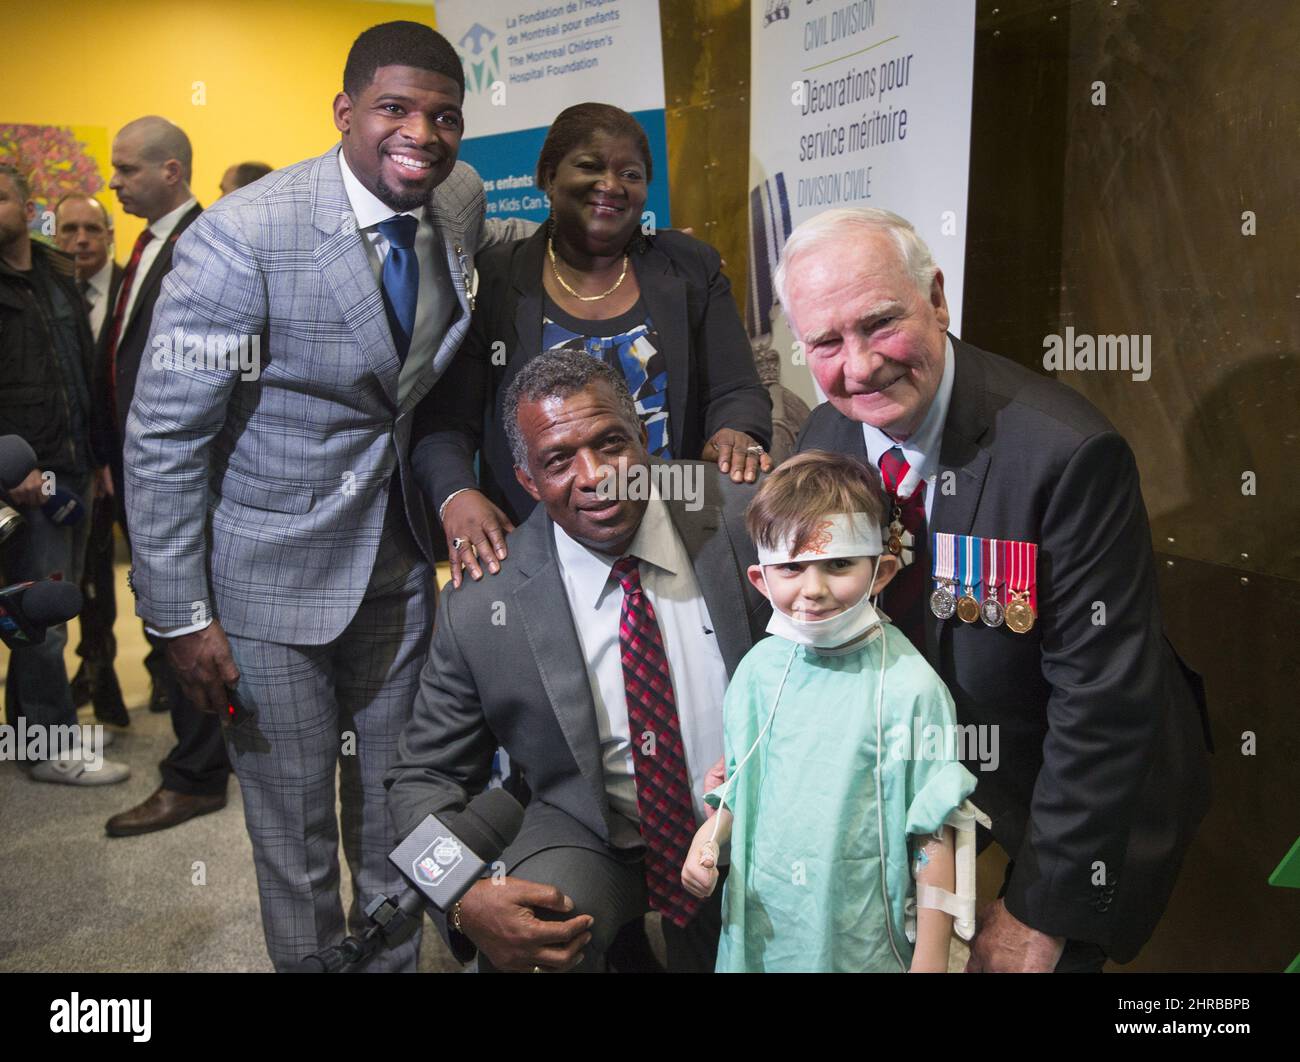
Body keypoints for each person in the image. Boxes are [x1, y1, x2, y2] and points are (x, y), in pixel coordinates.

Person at [124, 21, 527, 972]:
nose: (421, 134)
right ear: (344, 111)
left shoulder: (457, 198)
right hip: (265, 589)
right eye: (394, 109)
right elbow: (165, 438)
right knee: (297, 839)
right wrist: (180, 616)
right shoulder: (243, 236)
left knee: (402, 815)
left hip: (397, 568)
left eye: (444, 117)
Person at [781, 207, 1212, 970]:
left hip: (1055, 812)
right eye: (825, 342)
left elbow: (1103, 702)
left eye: (880, 324)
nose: (860, 365)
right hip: (919, 805)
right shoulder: (827, 439)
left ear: (937, 299)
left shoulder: (1066, 455)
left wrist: (1038, 912)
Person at [386, 349, 771, 973]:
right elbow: (419, 780)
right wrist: (460, 896)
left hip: (752, 814)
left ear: (643, 437)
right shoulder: (483, 601)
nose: (595, 476)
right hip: (594, 830)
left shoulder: (742, 516)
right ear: (528, 480)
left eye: (611, 443)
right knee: (531, 947)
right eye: (559, 460)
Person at [413, 102, 773, 588]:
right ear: (547, 175)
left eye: (630, 173)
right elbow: (444, 425)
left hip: (681, 534)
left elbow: (738, 389)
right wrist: (457, 495)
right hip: (540, 548)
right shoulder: (495, 280)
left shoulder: (688, 267)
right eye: (589, 166)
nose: (611, 185)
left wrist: (737, 430)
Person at [682, 450, 978, 972]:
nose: (813, 590)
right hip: (761, 936)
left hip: (861, 944)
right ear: (761, 579)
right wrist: (709, 840)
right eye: (791, 568)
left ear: (881, 571)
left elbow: (935, 834)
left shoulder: (910, 689)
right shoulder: (756, 672)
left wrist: (931, 961)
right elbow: (740, 783)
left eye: (839, 564)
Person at [101, 116, 232, 837]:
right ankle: (208, 752)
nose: (114, 182)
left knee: (187, 616)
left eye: (126, 170)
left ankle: (197, 774)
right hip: (137, 472)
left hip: (187, 479)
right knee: (167, 617)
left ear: (171, 172)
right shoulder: (148, 246)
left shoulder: (205, 246)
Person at [0, 164, 128, 785]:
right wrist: (8, 462)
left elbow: (85, 369)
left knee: (42, 609)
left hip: (74, 468)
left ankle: (27, 733)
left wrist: (101, 457)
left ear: (27, 207)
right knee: (40, 617)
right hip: (23, 479)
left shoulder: (55, 277)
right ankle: (52, 746)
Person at [54, 192, 129, 728]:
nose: (81, 240)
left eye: (91, 230)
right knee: (84, 577)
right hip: (76, 464)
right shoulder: (47, 295)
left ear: (108, 235)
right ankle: (94, 670)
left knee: (141, 575)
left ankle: (158, 670)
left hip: (129, 461)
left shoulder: (132, 290)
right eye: (69, 230)